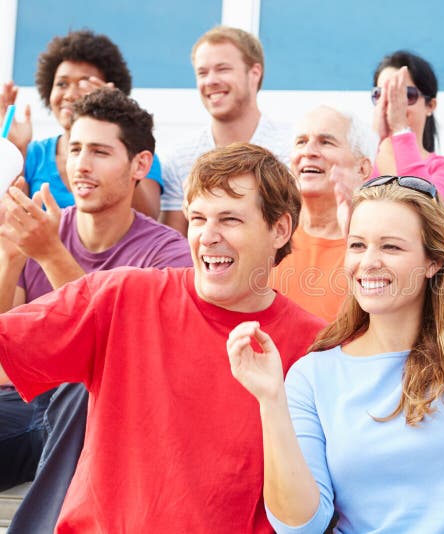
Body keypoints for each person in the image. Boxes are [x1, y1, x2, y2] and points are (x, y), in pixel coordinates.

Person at [0, 142, 325, 533]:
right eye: (199, 218)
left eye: (230, 220)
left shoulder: (315, 348)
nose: (207, 236)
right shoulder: (120, 296)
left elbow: (310, 513)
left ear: (280, 229)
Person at [227, 168, 444, 532]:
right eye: (357, 245)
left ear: (433, 261)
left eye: (391, 246)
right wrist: (270, 400)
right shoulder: (313, 375)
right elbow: (300, 526)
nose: (368, 262)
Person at [0, 87, 193, 533]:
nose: (81, 165)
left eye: (100, 151)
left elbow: (124, 367)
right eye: (75, 148)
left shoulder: (168, 255)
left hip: (101, 417)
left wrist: (49, 254)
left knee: (78, 393)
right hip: (22, 405)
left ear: (139, 166)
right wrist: (11, 259)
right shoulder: (36, 230)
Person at [0, 30, 162, 218]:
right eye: (61, 84)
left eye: (84, 84)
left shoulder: (136, 155)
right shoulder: (33, 153)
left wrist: (115, 112)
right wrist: (18, 149)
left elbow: (148, 217)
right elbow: (14, 223)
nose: (69, 94)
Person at [160, 26, 289, 235]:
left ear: (254, 74)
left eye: (223, 69)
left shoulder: (289, 151)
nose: (210, 81)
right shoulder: (180, 157)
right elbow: (175, 248)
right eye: (202, 72)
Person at [269, 105, 376, 322]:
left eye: (326, 142)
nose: (308, 152)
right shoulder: (269, 236)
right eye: (301, 142)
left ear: (362, 169)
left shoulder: (378, 251)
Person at [370, 50, 444, 200]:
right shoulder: (359, 158)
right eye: (381, 94)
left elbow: (426, 206)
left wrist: (401, 129)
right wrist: (373, 139)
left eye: (407, 95)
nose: (393, 104)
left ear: (430, 105)